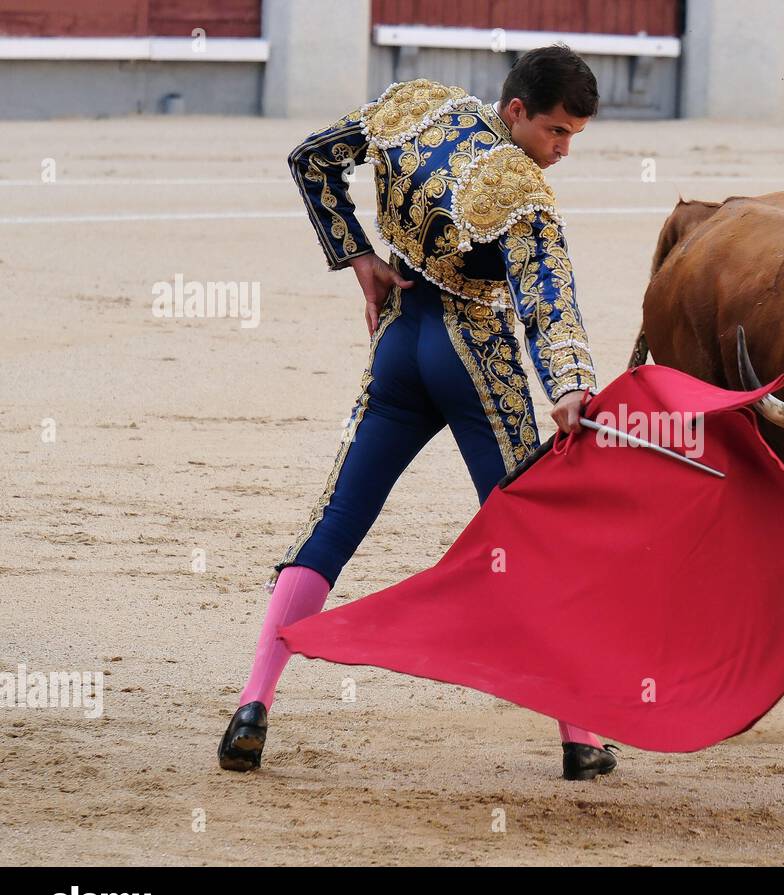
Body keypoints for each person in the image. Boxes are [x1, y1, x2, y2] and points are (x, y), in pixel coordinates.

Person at [218, 45, 617, 781]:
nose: (561, 152)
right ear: (516, 111)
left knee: (334, 520)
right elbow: (548, 298)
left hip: (400, 340)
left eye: (574, 138)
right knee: (532, 536)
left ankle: (253, 703)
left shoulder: (417, 107)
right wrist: (569, 384)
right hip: (476, 360)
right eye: (557, 132)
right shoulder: (518, 188)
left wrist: (357, 256)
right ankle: (581, 736)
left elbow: (311, 160)